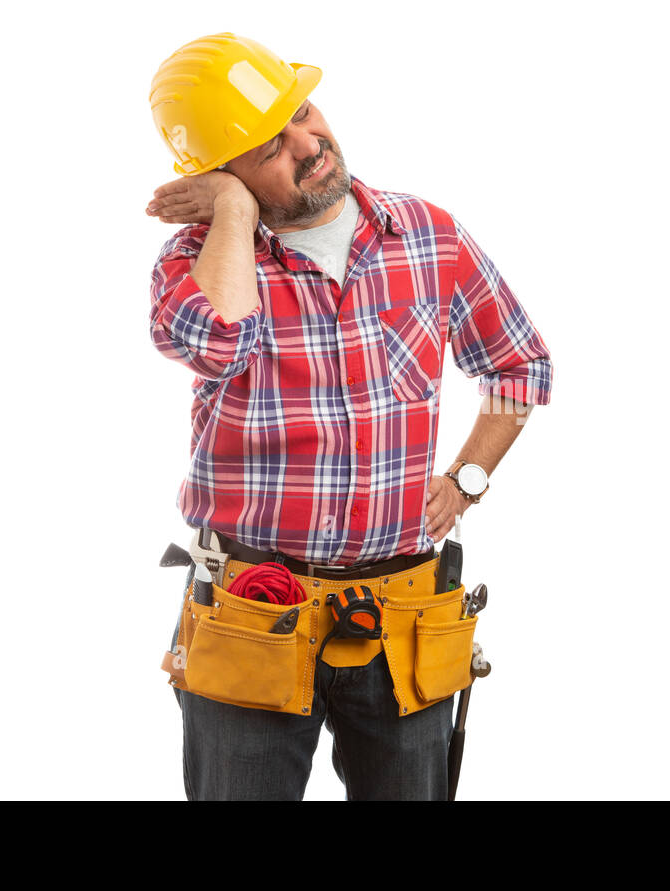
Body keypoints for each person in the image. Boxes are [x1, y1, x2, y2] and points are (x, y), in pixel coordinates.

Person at [145, 33, 552, 801]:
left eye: (301, 113)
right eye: (269, 146)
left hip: (401, 613)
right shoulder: (192, 261)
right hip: (250, 608)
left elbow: (519, 366)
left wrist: (466, 479)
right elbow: (215, 338)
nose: (309, 145)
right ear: (216, 174)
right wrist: (233, 212)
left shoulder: (427, 236)